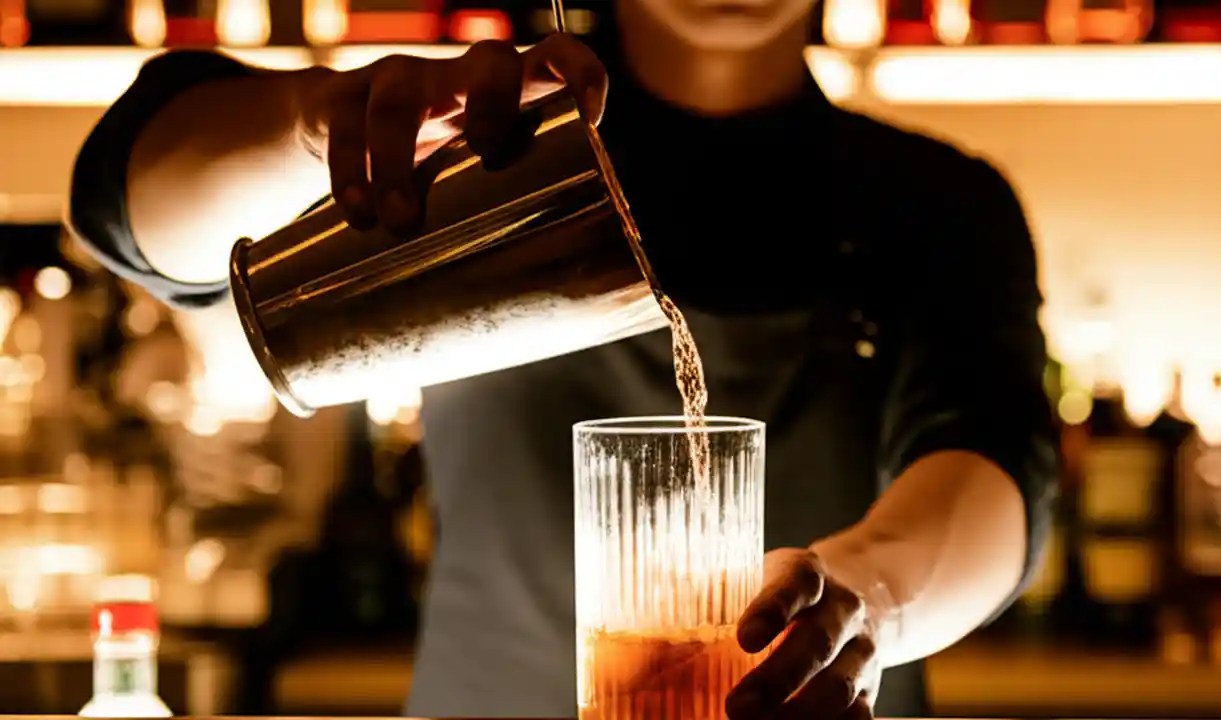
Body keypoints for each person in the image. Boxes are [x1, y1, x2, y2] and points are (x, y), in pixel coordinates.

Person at [67, 0, 1058, 716]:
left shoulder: (936, 206)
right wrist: (315, 133)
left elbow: (992, 461)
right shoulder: (489, 147)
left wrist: (864, 601)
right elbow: (125, 203)